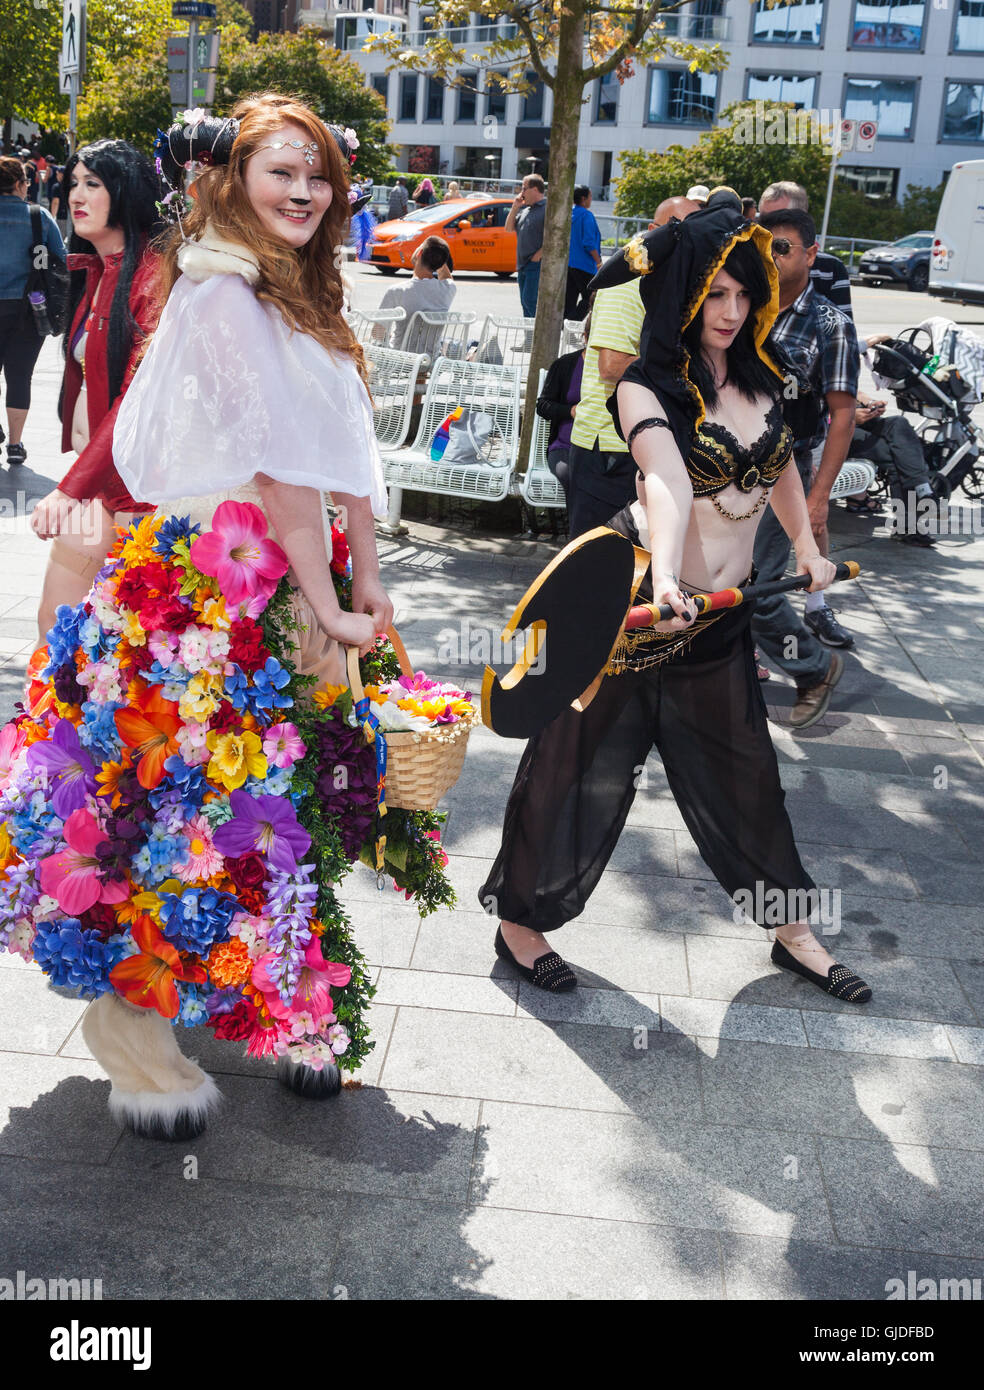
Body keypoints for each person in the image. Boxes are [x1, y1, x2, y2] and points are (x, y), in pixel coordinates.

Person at [0, 96, 394, 1140]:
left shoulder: (294, 287)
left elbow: (340, 446)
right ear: (233, 180)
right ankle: (132, 1034)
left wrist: (368, 577)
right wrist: (334, 599)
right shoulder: (220, 291)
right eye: (281, 170)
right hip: (208, 593)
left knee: (291, 803)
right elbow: (275, 470)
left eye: (318, 172)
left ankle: (291, 1000)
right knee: (180, 815)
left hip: (281, 584)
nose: (304, 189)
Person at [480, 191, 872, 1007]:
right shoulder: (644, 388)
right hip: (632, 611)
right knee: (576, 766)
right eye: (714, 295)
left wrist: (806, 547)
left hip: (714, 622)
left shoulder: (764, 381)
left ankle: (793, 932)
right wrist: (663, 577)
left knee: (748, 778)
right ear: (685, 296)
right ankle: (520, 923)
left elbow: (784, 468)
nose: (729, 312)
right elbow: (665, 482)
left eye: (742, 295)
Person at [29, 140, 162, 644]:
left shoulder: (153, 277)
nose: (76, 196)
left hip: (137, 496)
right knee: (54, 622)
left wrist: (68, 488)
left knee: (133, 648)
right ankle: (48, 724)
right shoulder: (97, 270)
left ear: (124, 191)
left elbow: (135, 398)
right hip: (98, 485)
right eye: (72, 184)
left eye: (93, 184)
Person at [753, 208, 860, 725]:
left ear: (812, 255)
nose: (773, 257)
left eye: (784, 248)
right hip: (728, 464)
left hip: (785, 470)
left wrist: (818, 499)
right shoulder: (745, 305)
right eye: (766, 246)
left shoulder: (830, 325)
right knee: (715, 577)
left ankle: (815, 668)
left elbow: (843, 417)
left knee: (757, 587)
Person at [566, 197, 698, 536]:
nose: (688, 241)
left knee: (643, 573)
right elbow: (611, 365)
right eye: (678, 231)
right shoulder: (629, 280)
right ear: (654, 232)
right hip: (611, 449)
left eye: (694, 232)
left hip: (642, 446)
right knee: (598, 568)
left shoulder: (675, 281)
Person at [0, 155, 66, 466]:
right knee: (20, 376)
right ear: (17, 184)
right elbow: (62, 260)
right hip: (30, 309)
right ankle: (15, 444)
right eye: (26, 182)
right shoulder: (39, 217)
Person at [847, 391, 935, 546]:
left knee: (898, 423)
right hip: (832, 430)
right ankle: (910, 519)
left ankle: (920, 486)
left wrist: (870, 403)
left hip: (853, 418)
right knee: (896, 457)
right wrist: (849, 416)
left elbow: (852, 391)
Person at [758, 181, 853, 318]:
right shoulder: (748, 261)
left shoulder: (830, 269)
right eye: (763, 219)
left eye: (779, 220)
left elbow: (842, 332)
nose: (767, 228)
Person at [534, 309, 589, 504]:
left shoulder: (617, 368)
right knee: (569, 474)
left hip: (600, 448)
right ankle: (578, 528)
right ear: (585, 337)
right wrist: (570, 411)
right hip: (564, 446)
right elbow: (543, 406)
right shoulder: (565, 365)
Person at [373, 235, 455, 349]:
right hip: (430, 360)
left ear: (419, 253)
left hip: (401, 360)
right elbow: (447, 277)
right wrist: (438, 259)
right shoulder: (448, 289)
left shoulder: (397, 291)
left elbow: (377, 334)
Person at [505, 174, 546, 318]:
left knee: (530, 301)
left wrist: (538, 256)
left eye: (524, 188)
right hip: (522, 264)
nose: (521, 193)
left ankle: (535, 338)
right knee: (525, 302)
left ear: (535, 189)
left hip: (535, 265)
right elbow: (509, 228)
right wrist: (515, 207)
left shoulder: (546, 209)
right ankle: (528, 339)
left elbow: (554, 237)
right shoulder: (525, 210)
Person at [565, 185, 601, 321]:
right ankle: (571, 323)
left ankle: (566, 329)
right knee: (590, 298)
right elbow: (589, 242)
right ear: (583, 199)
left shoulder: (569, 214)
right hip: (584, 265)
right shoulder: (586, 215)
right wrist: (598, 262)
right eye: (590, 196)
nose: (591, 200)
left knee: (569, 299)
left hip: (569, 264)